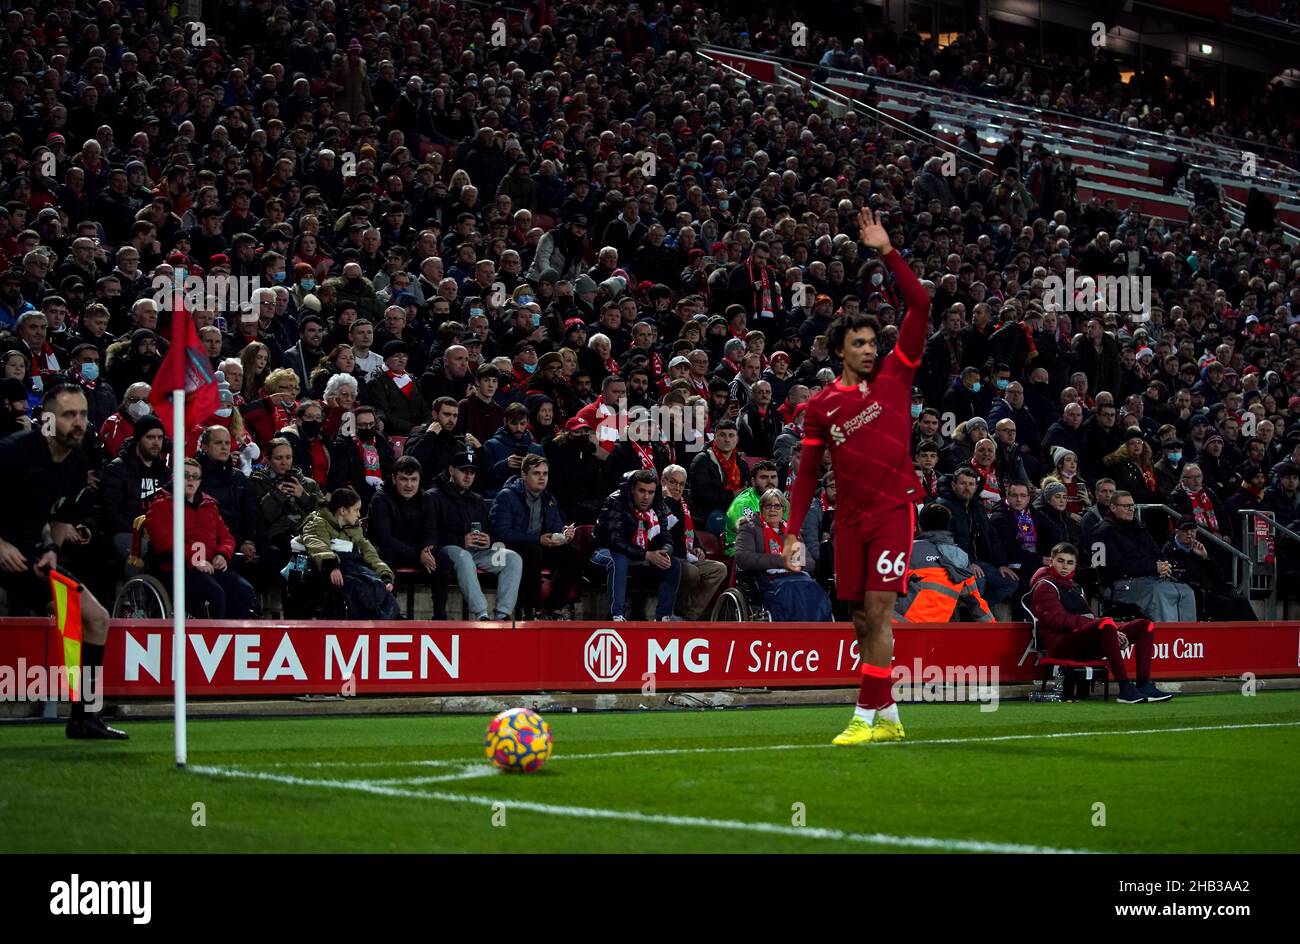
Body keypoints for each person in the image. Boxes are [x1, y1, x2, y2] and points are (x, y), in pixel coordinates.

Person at [783, 209, 932, 746]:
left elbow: (920, 303)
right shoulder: (821, 407)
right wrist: (793, 531)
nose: (871, 350)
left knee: (879, 610)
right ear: (840, 350)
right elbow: (804, 475)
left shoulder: (898, 372)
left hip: (894, 509)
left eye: (874, 342)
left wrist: (887, 252)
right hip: (846, 519)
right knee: (861, 623)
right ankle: (889, 715)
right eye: (861, 344)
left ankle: (863, 717)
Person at [0, 383, 123, 738]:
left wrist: (51, 552)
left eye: (83, 414)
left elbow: (60, 518)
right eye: (70, 415)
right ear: (47, 420)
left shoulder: (78, 460)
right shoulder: (12, 452)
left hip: (29, 556)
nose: (79, 422)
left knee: (97, 618)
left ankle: (85, 718)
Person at [1026, 542, 1172, 704]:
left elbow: (1091, 620)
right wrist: (1105, 627)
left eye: (1070, 562)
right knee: (1105, 624)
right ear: (1051, 561)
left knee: (1144, 626)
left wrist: (1114, 631)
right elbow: (1057, 620)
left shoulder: (1075, 587)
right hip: (1061, 645)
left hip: (1081, 641)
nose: (1065, 566)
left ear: (1075, 566)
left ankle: (1144, 684)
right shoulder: (1044, 586)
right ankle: (1125, 688)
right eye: (1060, 561)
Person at [144, 458, 258, 619]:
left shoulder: (209, 505)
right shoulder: (160, 505)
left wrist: (223, 554)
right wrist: (195, 559)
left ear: (200, 481)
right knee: (215, 594)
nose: (191, 480)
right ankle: (214, 637)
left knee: (244, 591)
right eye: (186, 475)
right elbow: (166, 543)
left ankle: (228, 636)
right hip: (177, 568)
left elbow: (226, 537)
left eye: (195, 476)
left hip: (210, 566)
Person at [428, 451, 523, 621]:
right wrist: (460, 540)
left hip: (477, 552)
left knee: (512, 558)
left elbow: (489, 531)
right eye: (463, 471)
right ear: (451, 470)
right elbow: (431, 534)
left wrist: (489, 541)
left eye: (472, 472)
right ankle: (481, 615)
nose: (468, 476)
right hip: (449, 549)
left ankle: (502, 615)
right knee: (464, 556)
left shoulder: (478, 500)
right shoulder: (435, 496)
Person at [489, 454, 581, 619]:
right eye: (536, 473)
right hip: (511, 548)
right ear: (524, 475)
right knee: (533, 551)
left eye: (545, 474)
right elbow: (500, 533)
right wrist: (537, 539)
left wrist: (564, 535)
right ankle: (533, 608)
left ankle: (554, 608)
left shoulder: (549, 499)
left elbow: (554, 529)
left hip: (539, 546)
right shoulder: (507, 496)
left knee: (571, 553)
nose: (542, 478)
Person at [367, 455, 451, 620]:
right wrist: (418, 554)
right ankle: (390, 613)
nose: (409, 485)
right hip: (391, 550)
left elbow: (432, 532)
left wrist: (427, 549)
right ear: (393, 478)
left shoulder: (427, 499)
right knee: (386, 554)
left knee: (441, 559)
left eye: (414, 479)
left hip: (417, 551)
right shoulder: (380, 499)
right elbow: (385, 538)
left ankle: (440, 615)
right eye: (404, 479)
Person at [592, 468, 683, 621]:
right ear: (632, 489)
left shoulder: (658, 504)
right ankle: (617, 615)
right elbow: (615, 541)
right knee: (618, 559)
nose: (646, 497)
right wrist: (647, 555)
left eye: (651, 492)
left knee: (673, 564)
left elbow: (666, 536)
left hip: (639, 553)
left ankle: (663, 617)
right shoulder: (615, 501)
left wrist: (664, 552)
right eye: (642, 491)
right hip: (604, 550)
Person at [300, 487, 402, 620]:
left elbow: (370, 553)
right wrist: (332, 566)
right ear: (343, 510)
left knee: (379, 587)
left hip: (354, 567)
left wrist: (385, 574)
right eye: (356, 510)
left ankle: (387, 623)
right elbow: (317, 545)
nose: (359, 515)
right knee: (358, 588)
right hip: (333, 569)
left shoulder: (355, 528)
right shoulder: (317, 523)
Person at [1096, 490, 1197, 621]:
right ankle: (1167, 638)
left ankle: (1188, 640)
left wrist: (1164, 564)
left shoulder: (1138, 528)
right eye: (1126, 506)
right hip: (1120, 585)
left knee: (1186, 591)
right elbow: (1106, 570)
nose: (1131, 509)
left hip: (1150, 579)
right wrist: (1153, 567)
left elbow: (1157, 552)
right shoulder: (1101, 533)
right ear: (1113, 507)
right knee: (1161, 592)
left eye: (1132, 505)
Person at [736, 488, 833, 622]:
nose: (773, 510)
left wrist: (797, 562)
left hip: (795, 577)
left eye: (777, 506)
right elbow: (743, 557)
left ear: (783, 510)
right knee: (790, 591)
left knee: (814, 590)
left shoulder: (791, 531)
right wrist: (781, 560)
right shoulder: (750, 527)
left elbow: (810, 563)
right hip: (766, 579)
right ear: (761, 508)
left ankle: (816, 633)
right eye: (768, 506)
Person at [894, 504, 992, 623]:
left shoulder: (907, 549)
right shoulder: (960, 557)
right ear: (948, 527)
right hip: (935, 631)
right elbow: (976, 604)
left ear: (919, 526)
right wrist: (997, 632)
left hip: (897, 627)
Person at [660, 464, 728, 619]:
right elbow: (666, 531)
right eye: (673, 482)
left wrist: (697, 547)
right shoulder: (657, 502)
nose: (677, 488)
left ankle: (688, 615)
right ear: (663, 481)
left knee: (719, 569)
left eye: (681, 484)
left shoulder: (683, 504)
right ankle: (673, 610)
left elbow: (688, 532)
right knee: (691, 572)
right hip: (667, 558)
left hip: (686, 556)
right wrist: (668, 500)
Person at [98, 413, 168, 560]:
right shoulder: (116, 469)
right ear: (138, 439)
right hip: (126, 533)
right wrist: (142, 530)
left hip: (159, 534)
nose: (156, 442)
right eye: (150, 437)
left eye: (160, 438)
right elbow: (111, 514)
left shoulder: (165, 472)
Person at [1162, 516, 1257, 621]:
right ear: (1177, 531)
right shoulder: (1169, 550)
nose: (1189, 534)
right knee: (1225, 604)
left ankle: (1257, 634)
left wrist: (1205, 558)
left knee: (1241, 601)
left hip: (1209, 589)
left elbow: (1219, 576)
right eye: (1185, 531)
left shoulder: (1199, 547)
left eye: (1192, 531)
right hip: (1190, 594)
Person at [326, 404, 394, 511]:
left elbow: (390, 469)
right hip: (356, 498)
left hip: (382, 494)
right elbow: (339, 477)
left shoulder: (382, 442)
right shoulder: (344, 445)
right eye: (362, 425)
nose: (368, 428)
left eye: (371, 424)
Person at [688, 418, 749, 534]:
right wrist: (732, 495)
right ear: (715, 437)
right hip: (706, 513)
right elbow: (701, 493)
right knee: (725, 522)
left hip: (734, 510)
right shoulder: (702, 460)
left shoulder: (742, 464)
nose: (727, 439)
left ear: (737, 439)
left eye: (731, 435)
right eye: (722, 435)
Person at [724, 460, 780, 557]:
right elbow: (748, 536)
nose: (770, 481)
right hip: (742, 551)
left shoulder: (782, 502)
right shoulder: (743, 503)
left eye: (773, 477)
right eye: (764, 477)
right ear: (753, 481)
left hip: (772, 549)